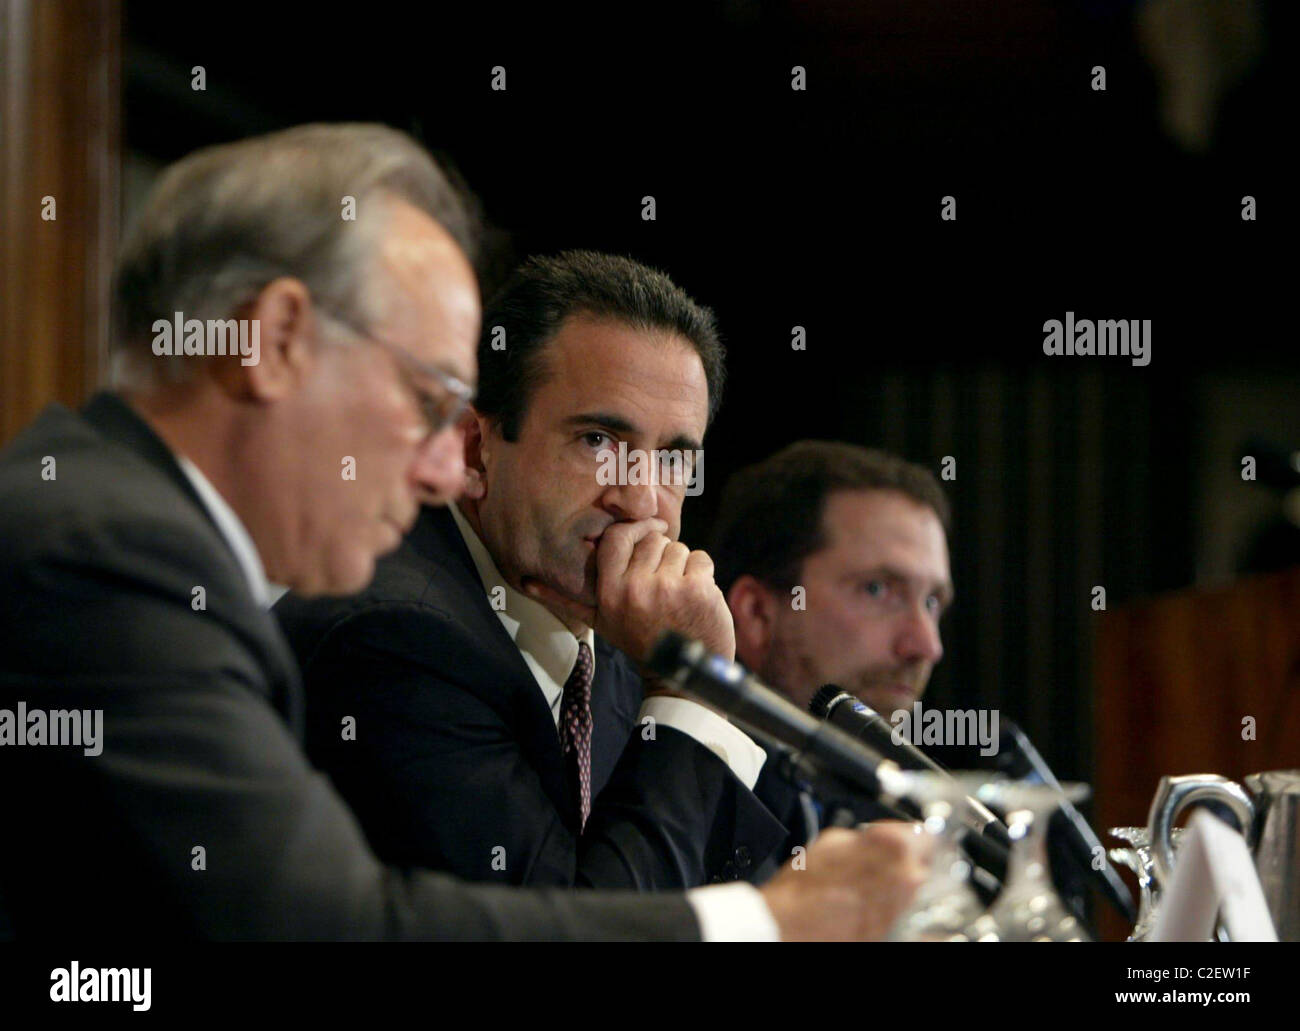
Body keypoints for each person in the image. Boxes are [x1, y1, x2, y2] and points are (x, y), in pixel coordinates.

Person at [0, 125, 929, 941]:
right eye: (426, 399)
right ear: (276, 340)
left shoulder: (126, 534)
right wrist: (765, 921)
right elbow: (335, 924)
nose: (448, 468)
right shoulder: (108, 555)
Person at [276, 251, 787, 890]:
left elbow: (715, 890)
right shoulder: (392, 637)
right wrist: (688, 694)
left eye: (673, 460)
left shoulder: (621, 642)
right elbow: (589, 931)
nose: (640, 501)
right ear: (474, 450)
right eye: (598, 441)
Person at [711, 441, 953, 871]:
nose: (926, 646)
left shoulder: (909, 827)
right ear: (757, 614)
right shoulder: (674, 804)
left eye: (932, 602)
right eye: (877, 590)